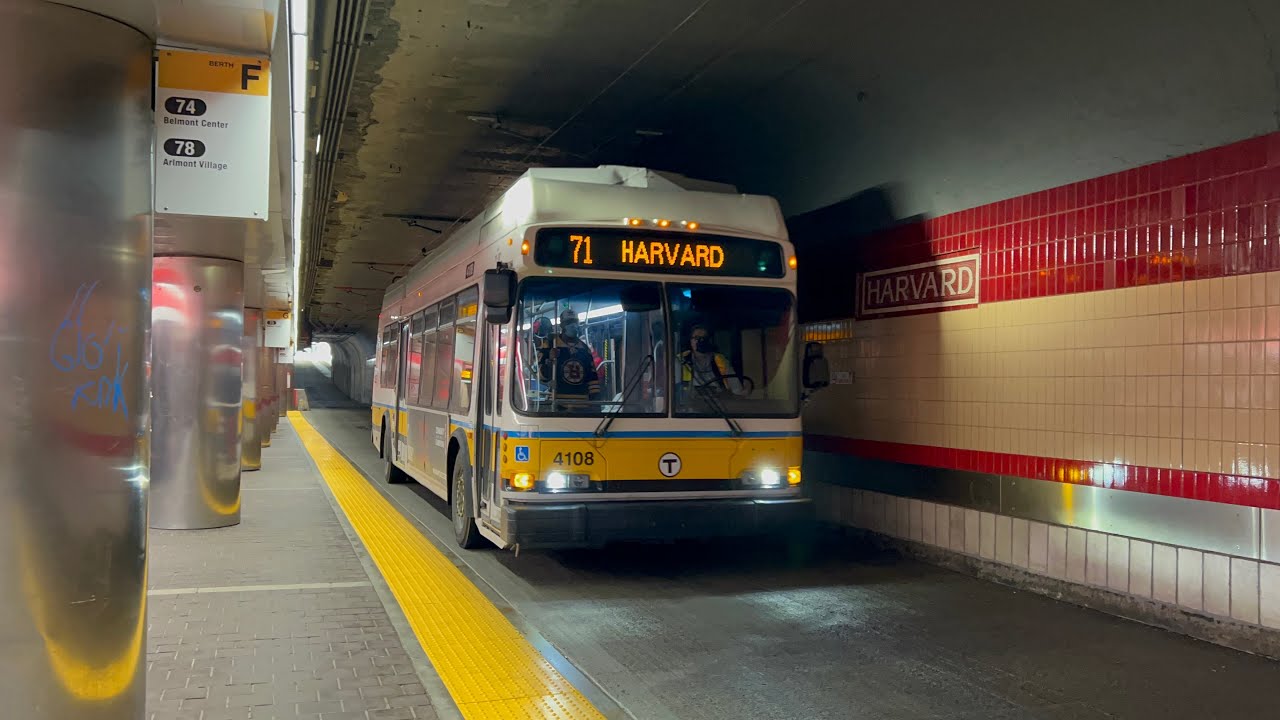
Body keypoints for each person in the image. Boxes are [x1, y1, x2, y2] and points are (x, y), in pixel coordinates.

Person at [536, 308, 601, 403]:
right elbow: (541, 377)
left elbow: (592, 377)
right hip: (557, 401)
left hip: (581, 403)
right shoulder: (550, 344)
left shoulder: (584, 348)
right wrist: (550, 361)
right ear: (562, 325)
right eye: (569, 322)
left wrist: (595, 401)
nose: (573, 325)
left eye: (575, 322)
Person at [678, 324, 741, 397]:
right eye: (696, 338)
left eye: (704, 338)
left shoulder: (721, 360)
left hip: (719, 405)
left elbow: (737, 389)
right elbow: (674, 393)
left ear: (709, 340)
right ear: (690, 341)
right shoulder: (680, 361)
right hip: (689, 406)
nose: (701, 341)